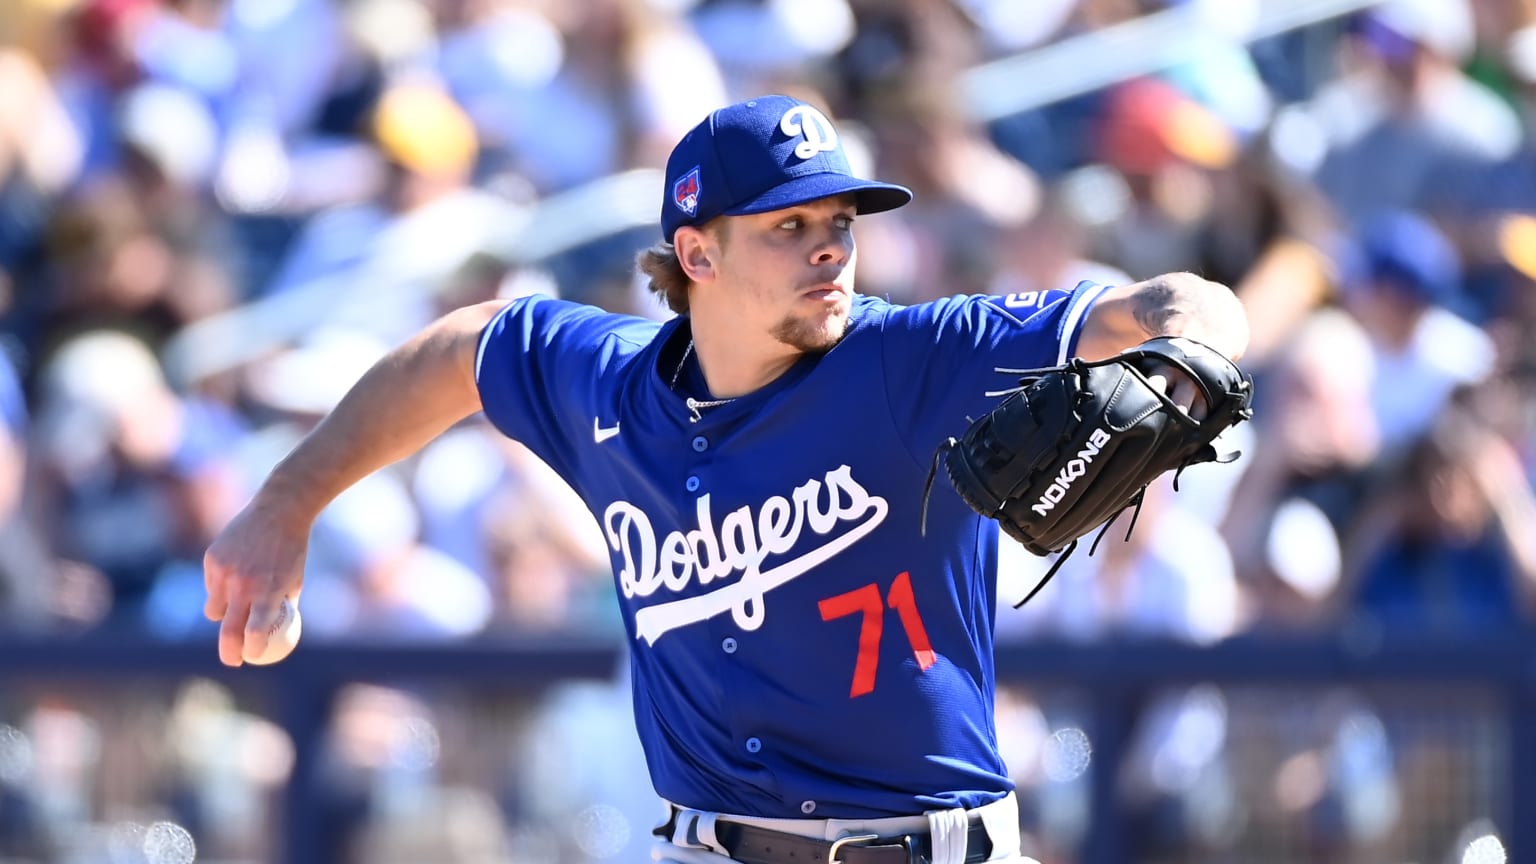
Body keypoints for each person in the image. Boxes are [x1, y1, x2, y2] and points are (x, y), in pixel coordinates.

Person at [202, 94, 1249, 864]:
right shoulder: (605, 384)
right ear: (695, 255)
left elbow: (1181, 301)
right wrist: (287, 503)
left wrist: (1186, 363)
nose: (830, 250)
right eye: (789, 228)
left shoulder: (919, 358)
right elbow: (462, 352)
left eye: (840, 223)